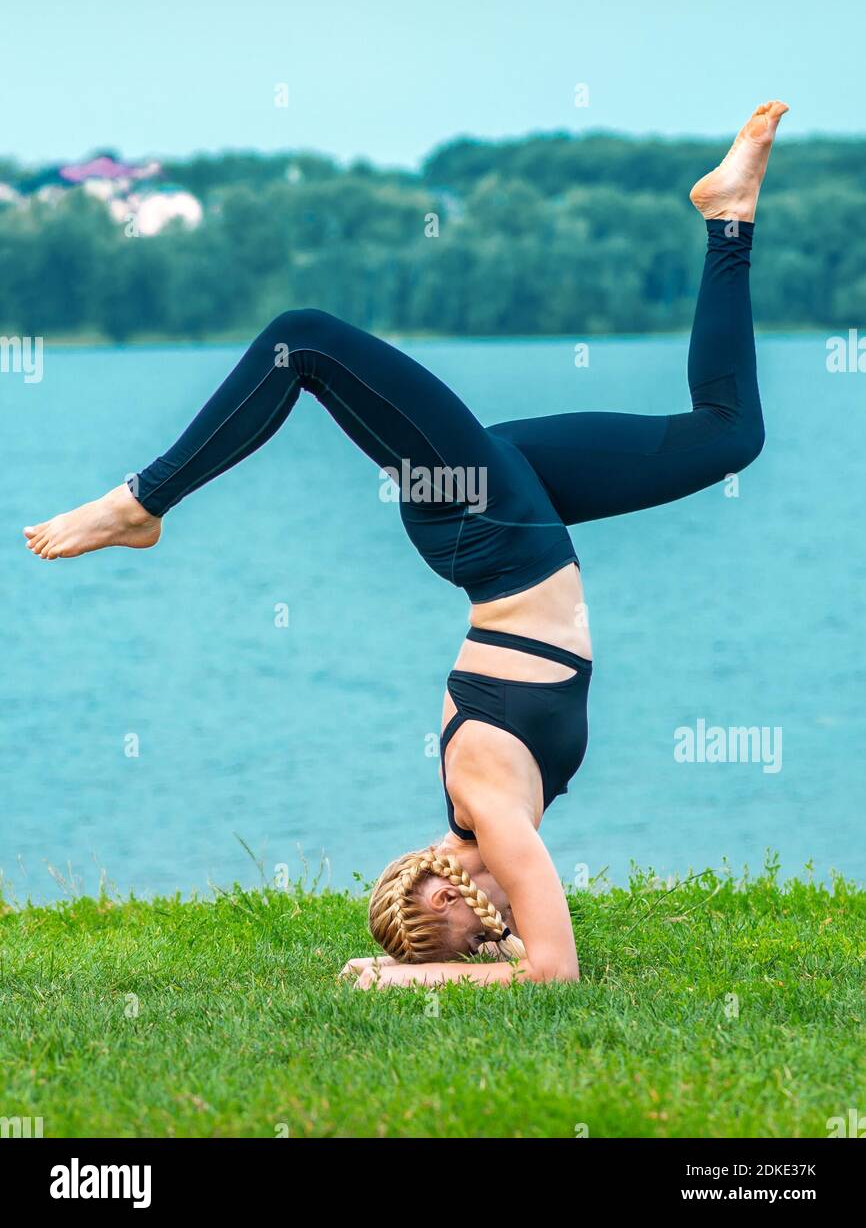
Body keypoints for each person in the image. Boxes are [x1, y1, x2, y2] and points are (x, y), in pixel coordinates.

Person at [24, 102, 788, 988]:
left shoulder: (489, 812)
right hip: (511, 511)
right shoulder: (499, 823)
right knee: (727, 436)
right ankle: (728, 214)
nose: (495, 920)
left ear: (450, 877)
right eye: (479, 931)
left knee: (301, 338)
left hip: (485, 525)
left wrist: (404, 975)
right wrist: (427, 957)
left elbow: (554, 974)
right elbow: (525, 955)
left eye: (468, 918)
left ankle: (142, 502)